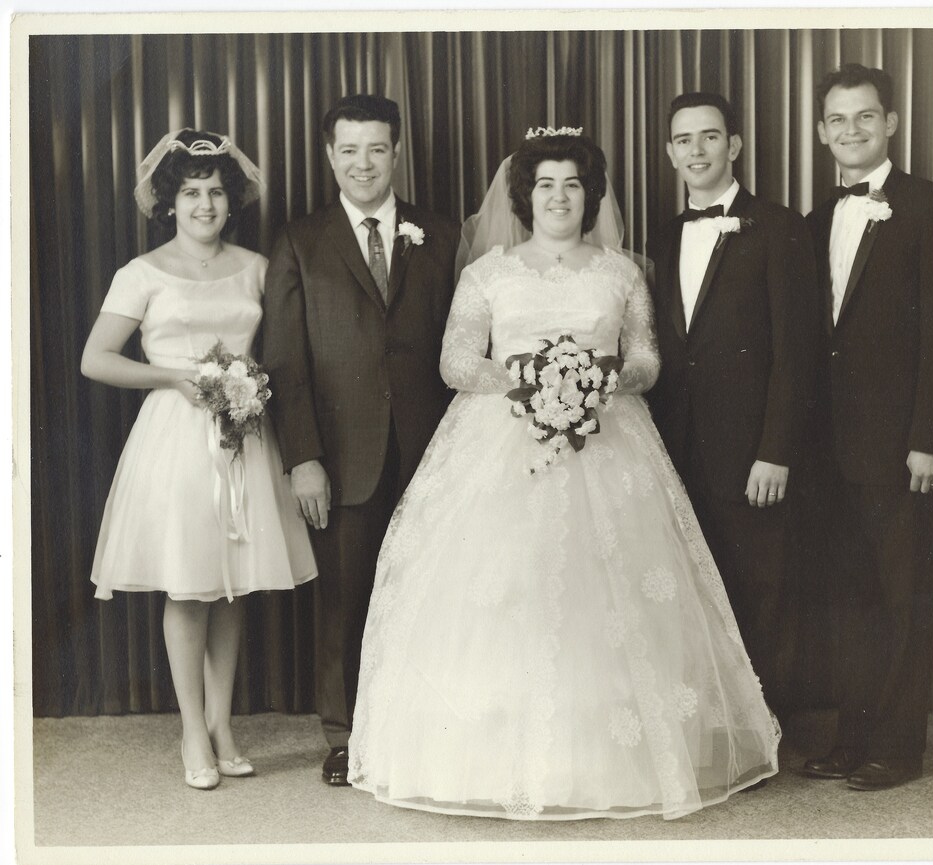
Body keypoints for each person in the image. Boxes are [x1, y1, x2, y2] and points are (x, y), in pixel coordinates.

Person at [345, 130, 779, 820]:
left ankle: (602, 764)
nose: (558, 197)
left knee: (604, 598)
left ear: (590, 195)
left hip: (609, 441)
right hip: (498, 444)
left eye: (572, 184)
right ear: (525, 196)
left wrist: (596, 383)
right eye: (545, 184)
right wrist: (531, 384)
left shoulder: (621, 273)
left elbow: (647, 360)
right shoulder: (488, 273)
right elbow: (456, 361)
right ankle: (493, 763)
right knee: (507, 592)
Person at [82, 129, 317, 791]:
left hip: (244, 433)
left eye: (215, 192)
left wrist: (248, 386)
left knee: (232, 582)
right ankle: (192, 727)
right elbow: (96, 359)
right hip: (177, 438)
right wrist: (175, 378)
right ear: (169, 202)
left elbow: (282, 351)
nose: (205, 205)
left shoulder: (256, 267)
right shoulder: (142, 272)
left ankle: (222, 722)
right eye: (191, 193)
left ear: (230, 200)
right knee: (189, 585)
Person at [260, 94, 460, 787]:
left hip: (433, 451)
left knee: (432, 591)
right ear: (329, 155)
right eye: (349, 150)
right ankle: (345, 735)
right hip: (341, 456)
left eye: (376, 148)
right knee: (345, 598)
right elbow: (284, 361)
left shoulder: (441, 235)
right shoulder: (299, 240)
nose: (363, 163)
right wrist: (303, 457)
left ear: (396, 152)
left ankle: (427, 726)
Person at [801, 64, 933, 790]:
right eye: (838, 120)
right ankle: (852, 738)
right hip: (831, 450)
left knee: (904, 595)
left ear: (891, 123)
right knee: (850, 601)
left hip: (903, 445)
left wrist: (929, 437)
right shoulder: (816, 219)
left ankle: (899, 749)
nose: (852, 130)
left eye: (865, 116)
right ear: (821, 132)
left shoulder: (932, 206)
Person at [646, 92, 817, 720]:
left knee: (761, 592)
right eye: (684, 140)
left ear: (734, 145)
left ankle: (767, 734)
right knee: (694, 595)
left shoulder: (778, 225)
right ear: (670, 153)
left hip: (751, 455)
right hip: (678, 449)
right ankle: (716, 734)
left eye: (710, 136)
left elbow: (796, 352)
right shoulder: (665, 235)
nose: (697, 150)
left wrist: (776, 451)